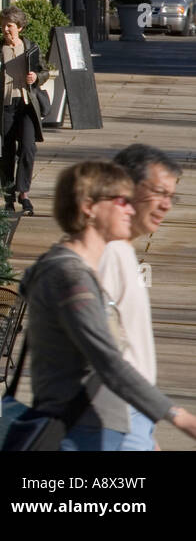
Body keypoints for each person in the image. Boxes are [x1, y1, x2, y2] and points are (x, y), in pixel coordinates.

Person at [20, 161, 196, 450]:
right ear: (89, 206)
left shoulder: (71, 268)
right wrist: (181, 418)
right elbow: (108, 360)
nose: (130, 209)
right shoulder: (70, 276)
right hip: (83, 432)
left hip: (99, 427)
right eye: (121, 201)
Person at [99, 144, 183, 451]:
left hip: (129, 418)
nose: (166, 205)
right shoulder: (108, 253)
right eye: (159, 193)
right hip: (116, 418)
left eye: (171, 197)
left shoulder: (119, 250)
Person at [0, 6, 46, 214]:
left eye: (9, 26)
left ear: (19, 27)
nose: (6, 30)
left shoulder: (31, 48)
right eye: (3, 26)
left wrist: (36, 78)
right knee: (4, 152)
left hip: (26, 104)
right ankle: (8, 196)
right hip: (4, 105)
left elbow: (44, 72)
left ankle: (23, 192)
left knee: (28, 148)